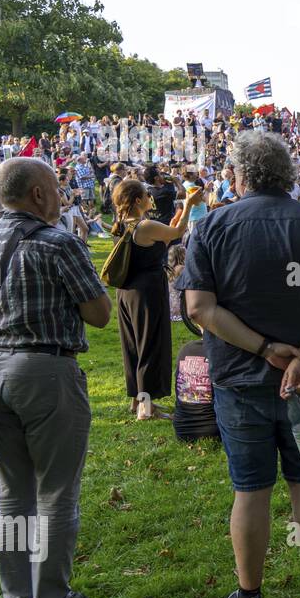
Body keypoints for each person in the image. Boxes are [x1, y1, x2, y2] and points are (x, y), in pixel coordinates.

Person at [180, 131, 300, 598]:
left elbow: (199, 308)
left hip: (242, 381)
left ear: (238, 176)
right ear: (290, 176)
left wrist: (265, 349)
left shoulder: (213, 225)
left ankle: (249, 597)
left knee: (251, 489)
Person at [0, 158, 114, 598]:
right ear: (37, 195)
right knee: (55, 490)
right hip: (42, 368)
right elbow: (99, 313)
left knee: (12, 488)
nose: (60, 195)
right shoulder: (57, 241)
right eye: (54, 187)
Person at [111, 179, 197, 419]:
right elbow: (179, 233)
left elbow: (160, 242)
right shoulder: (146, 225)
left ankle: (137, 400)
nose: (151, 196)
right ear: (138, 200)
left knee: (133, 346)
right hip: (147, 291)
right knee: (150, 346)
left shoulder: (122, 224)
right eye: (146, 194)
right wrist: (189, 204)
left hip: (126, 291)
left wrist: (171, 224)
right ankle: (146, 409)